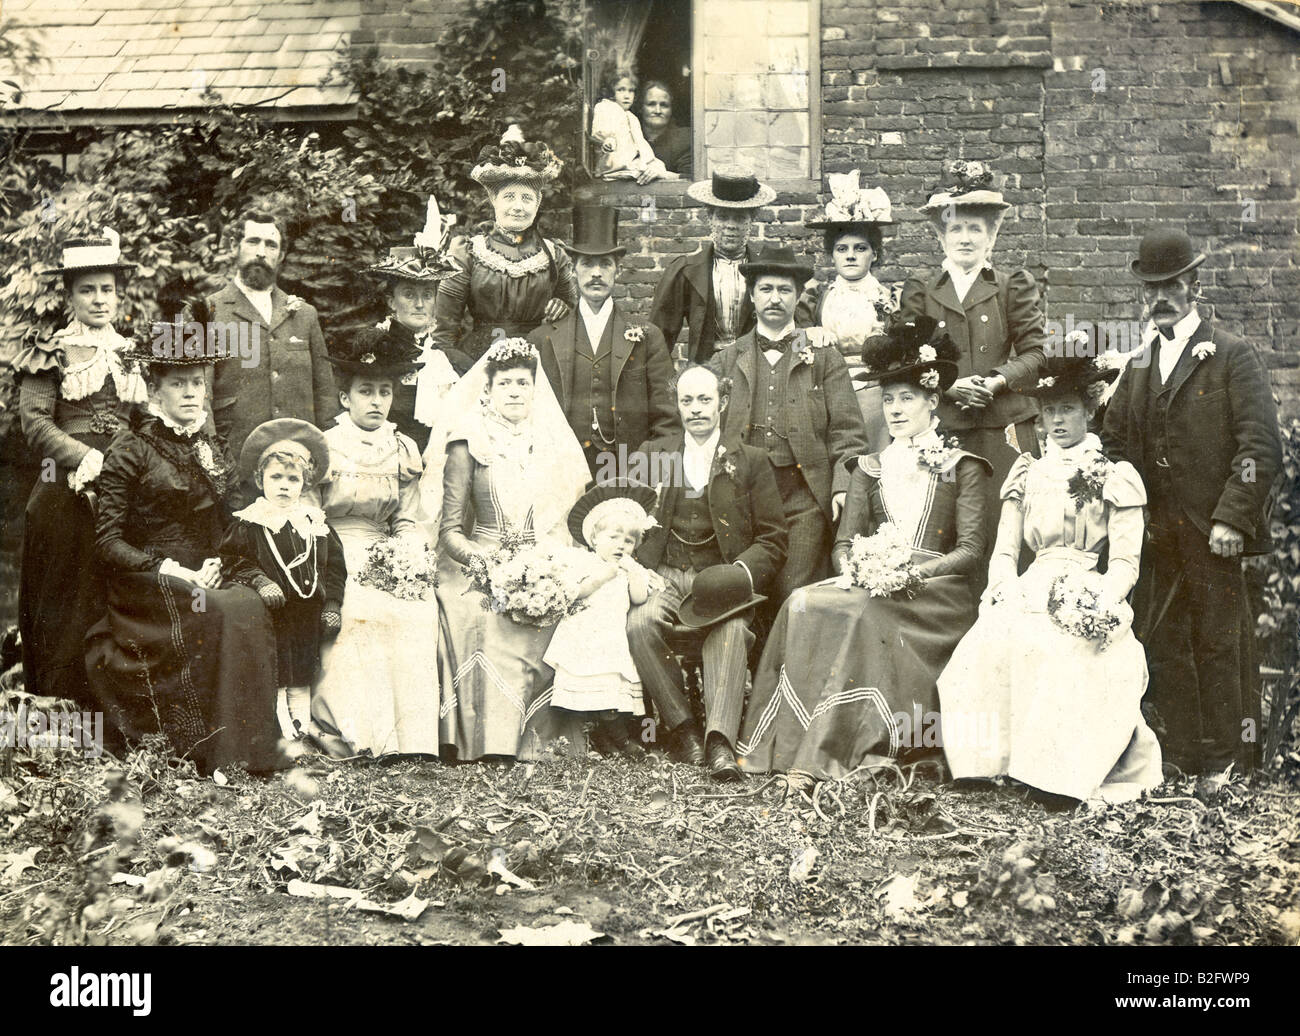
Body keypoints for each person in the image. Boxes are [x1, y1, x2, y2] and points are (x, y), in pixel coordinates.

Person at [737, 317, 989, 780]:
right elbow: (846, 543)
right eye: (887, 399)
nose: (894, 410)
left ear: (933, 401)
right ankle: (789, 744)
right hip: (874, 582)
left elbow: (971, 549)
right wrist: (859, 570)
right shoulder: (868, 467)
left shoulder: (961, 464)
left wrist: (912, 575)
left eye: (907, 398)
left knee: (861, 614)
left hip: (937, 593)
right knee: (802, 601)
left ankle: (840, 747)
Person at [939, 352, 1163, 805]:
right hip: (1032, 581)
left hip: (1086, 584)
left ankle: (1055, 774)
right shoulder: (1028, 471)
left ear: (1088, 412)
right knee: (985, 644)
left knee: (1066, 649)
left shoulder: (1114, 474)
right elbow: (1004, 550)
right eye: (1049, 413)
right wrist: (1003, 587)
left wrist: (1100, 600)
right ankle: (986, 764)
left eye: (1068, 411)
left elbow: (1124, 562)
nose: (1057, 422)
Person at [1102, 226, 1282, 777]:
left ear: (1194, 287)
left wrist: (1232, 516)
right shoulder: (1136, 365)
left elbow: (1259, 445)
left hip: (1212, 531)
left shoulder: (1231, 355)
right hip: (1157, 532)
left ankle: (1231, 759)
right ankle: (1182, 755)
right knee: (1167, 642)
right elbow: (1113, 439)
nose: (1160, 297)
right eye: (1150, 288)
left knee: (1219, 642)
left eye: (1172, 285)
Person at [84, 328, 285, 775]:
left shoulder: (210, 446)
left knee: (248, 603)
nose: (191, 392)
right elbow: (108, 541)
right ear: (154, 390)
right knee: (217, 611)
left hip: (203, 571)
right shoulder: (131, 447)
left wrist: (216, 559)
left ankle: (250, 749)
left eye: (197, 382)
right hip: (145, 578)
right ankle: (209, 748)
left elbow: (228, 525)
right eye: (178, 384)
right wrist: (169, 568)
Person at [627, 365, 788, 780]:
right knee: (640, 624)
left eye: (704, 400)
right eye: (686, 401)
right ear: (676, 405)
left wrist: (736, 575)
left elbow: (773, 539)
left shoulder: (750, 460)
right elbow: (625, 520)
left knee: (731, 631)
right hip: (663, 572)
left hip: (720, 579)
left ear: (723, 402)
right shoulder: (652, 454)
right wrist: (635, 566)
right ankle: (683, 729)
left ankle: (720, 740)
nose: (695, 410)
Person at [436, 337, 591, 761]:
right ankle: (488, 742)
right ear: (487, 390)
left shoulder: (551, 443)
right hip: (479, 560)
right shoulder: (467, 442)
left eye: (524, 383)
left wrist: (549, 565)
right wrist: (482, 562)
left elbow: (563, 521)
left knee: (568, 608)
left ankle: (544, 740)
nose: (516, 392)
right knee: (482, 615)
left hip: (541, 557)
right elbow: (449, 530)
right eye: (505, 384)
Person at [14, 228, 148, 706]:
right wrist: (86, 458)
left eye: (106, 289)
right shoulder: (49, 351)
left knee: (119, 592)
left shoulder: (133, 351)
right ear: (70, 295)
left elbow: (144, 420)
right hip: (64, 491)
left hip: (123, 487)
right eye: (87, 290)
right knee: (66, 597)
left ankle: (113, 714)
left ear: (118, 294)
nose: (98, 299)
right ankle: (58, 704)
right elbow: (34, 424)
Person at [899, 161, 1047, 586]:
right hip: (945, 426)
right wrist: (948, 385)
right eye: (955, 229)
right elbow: (907, 360)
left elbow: (1036, 353)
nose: (965, 238)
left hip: (1004, 427)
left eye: (975, 229)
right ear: (941, 236)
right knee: (947, 531)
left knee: (1007, 527)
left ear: (991, 236)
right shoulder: (922, 290)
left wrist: (997, 379)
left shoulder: (1010, 285)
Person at [311, 328, 448, 758]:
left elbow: (408, 518)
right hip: (333, 552)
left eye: (384, 392)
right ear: (344, 398)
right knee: (363, 609)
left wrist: (406, 554)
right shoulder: (324, 446)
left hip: (385, 551)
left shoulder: (402, 447)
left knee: (418, 607)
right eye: (365, 391)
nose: (376, 401)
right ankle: (356, 733)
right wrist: (344, 557)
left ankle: (409, 740)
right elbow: (312, 514)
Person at [709, 243, 868, 606]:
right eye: (766, 289)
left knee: (795, 594)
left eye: (785, 290)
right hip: (743, 497)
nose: (775, 298)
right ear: (751, 296)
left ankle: (787, 665)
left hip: (803, 497)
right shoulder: (726, 360)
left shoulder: (825, 358)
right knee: (747, 593)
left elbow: (849, 432)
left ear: (798, 297)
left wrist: (841, 488)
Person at [219, 419, 346, 740]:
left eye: (293, 479)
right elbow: (233, 560)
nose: (284, 485)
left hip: (306, 613)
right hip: (273, 612)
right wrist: (261, 581)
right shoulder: (251, 522)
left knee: (302, 672)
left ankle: (302, 725)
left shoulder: (316, 524)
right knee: (279, 672)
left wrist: (331, 604)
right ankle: (281, 727)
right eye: (276, 477)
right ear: (260, 481)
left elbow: (334, 568)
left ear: (305, 484)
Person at [530, 205, 676, 477]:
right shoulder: (544, 339)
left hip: (628, 472)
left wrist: (642, 469)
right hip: (562, 473)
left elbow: (668, 421)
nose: (596, 272)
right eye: (587, 263)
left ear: (617, 271)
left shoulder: (648, 337)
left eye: (605, 264)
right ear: (574, 270)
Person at [431, 126, 577, 365]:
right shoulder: (468, 252)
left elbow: (575, 316)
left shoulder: (554, 254)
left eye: (527, 198)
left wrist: (563, 308)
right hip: (478, 361)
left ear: (538, 203)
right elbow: (444, 333)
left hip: (540, 359)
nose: (518, 207)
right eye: (509, 197)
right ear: (494, 200)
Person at [205, 204, 338, 457]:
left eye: (271, 245)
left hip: (296, 461)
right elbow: (200, 396)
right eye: (253, 242)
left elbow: (325, 395)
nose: (261, 253)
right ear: (235, 246)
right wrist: (211, 457)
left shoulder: (305, 315)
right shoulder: (208, 312)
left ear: (282, 254)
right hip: (234, 457)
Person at [543, 483, 659, 756]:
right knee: (592, 689)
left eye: (628, 541)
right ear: (594, 539)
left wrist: (633, 573)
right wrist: (601, 577)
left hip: (612, 638)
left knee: (610, 691)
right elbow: (575, 592)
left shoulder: (630, 567)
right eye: (613, 538)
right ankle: (613, 741)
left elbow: (640, 598)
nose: (621, 545)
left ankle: (612, 740)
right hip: (585, 635)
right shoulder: (584, 562)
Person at [797, 171, 897, 449]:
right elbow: (797, 345)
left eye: (860, 248)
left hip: (877, 395)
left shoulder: (891, 299)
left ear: (874, 254)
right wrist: (808, 334)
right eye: (842, 249)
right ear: (832, 254)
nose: (850, 255)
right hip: (830, 392)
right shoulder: (816, 298)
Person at [366, 194, 470, 454]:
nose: (420, 304)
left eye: (427, 295)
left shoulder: (451, 363)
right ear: (391, 302)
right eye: (409, 294)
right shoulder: (371, 353)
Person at [649, 167, 773, 365]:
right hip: (705, 372)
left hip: (756, 370)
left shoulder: (768, 272)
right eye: (723, 216)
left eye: (740, 218)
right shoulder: (687, 270)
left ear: (752, 220)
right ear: (710, 218)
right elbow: (658, 338)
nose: (731, 225)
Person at [590, 67, 668, 183]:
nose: (627, 96)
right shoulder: (605, 107)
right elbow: (599, 130)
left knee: (658, 167)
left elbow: (640, 143)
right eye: (621, 90)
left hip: (631, 160)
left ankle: (679, 176)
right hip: (614, 160)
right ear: (611, 92)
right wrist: (608, 140)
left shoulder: (632, 117)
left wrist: (648, 160)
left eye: (631, 91)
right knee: (655, 173)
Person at [640, 80, 691, 178]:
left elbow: (692, 179)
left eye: (664, 105)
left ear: (671, 109)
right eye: (651, 104)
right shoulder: (630, 137)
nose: (658, 111)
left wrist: (664, 175)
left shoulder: (684, 140)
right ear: (641, 107)